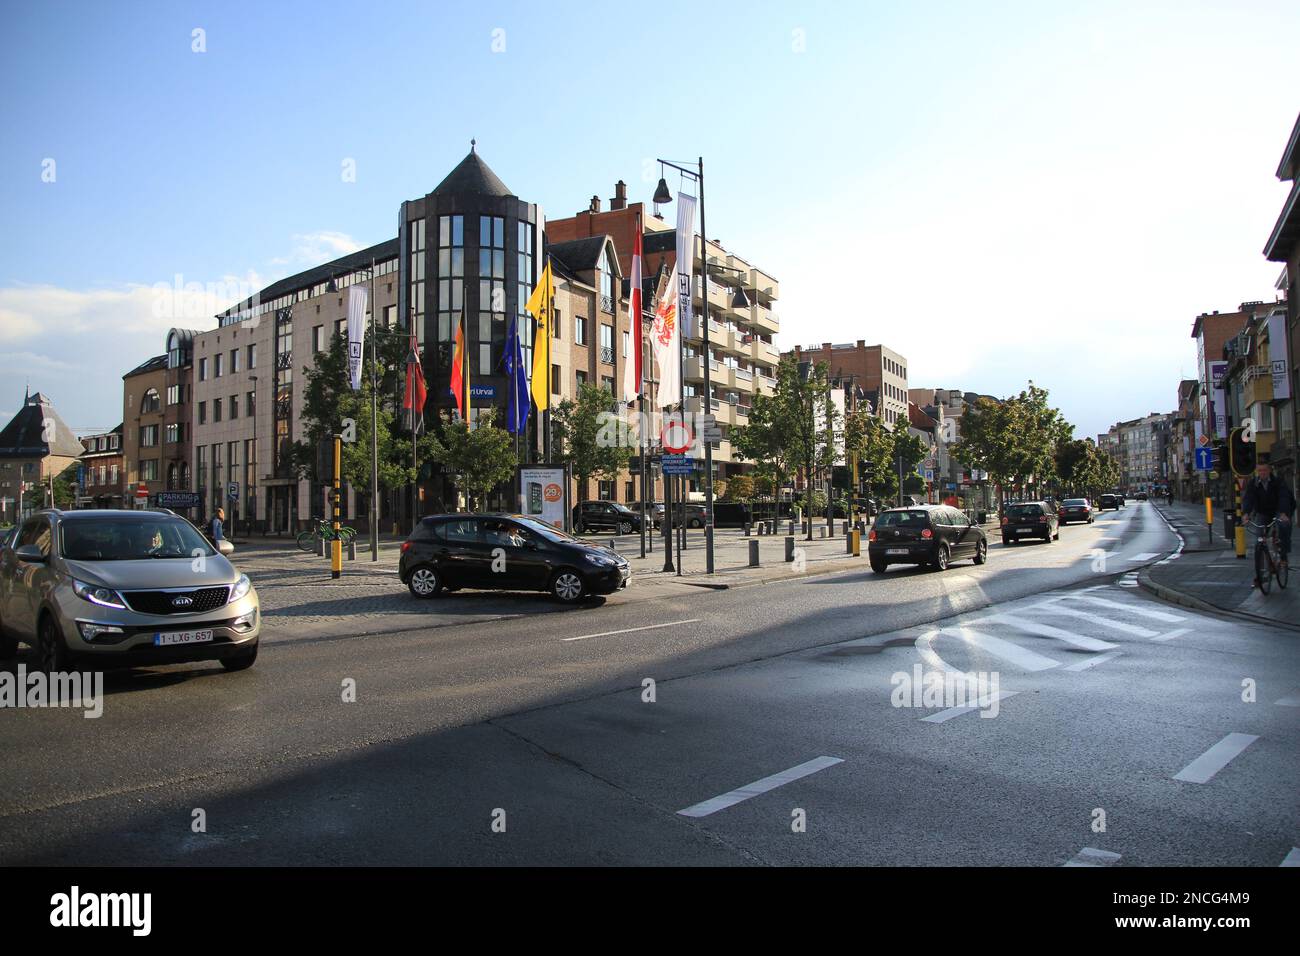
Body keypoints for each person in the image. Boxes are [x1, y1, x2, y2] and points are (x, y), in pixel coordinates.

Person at [1242, 461, 1295, 569]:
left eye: (1264, 470)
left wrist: (1284, 513)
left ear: (1269, 470)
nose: (1262, 473)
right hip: (1263, 512)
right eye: (1260, 470)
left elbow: (1283, 497)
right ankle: (1259, 573)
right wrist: (1246, 513)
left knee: (1284, 526)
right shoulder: (1253, 483)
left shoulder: (1278, 482)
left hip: (1278, 510)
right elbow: (1249, 498)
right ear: (1257, 471)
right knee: (1259, 540)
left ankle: (1283, 556)